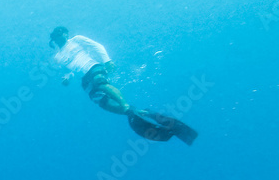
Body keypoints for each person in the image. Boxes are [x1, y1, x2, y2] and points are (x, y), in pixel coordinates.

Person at [49, 26, 197, 145]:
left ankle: (125, 105)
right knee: (102, 103)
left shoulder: (77, 39)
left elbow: (96, 46)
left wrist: (107, 61)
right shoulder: (57, 57)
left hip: (93, 66)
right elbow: (70, 71)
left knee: (100, 83)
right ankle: (136, 112)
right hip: (84, 80)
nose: (61, 35)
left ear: (67, 33)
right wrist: (67, 78)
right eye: (57, 34)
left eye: (63, 32)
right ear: (54, 39)